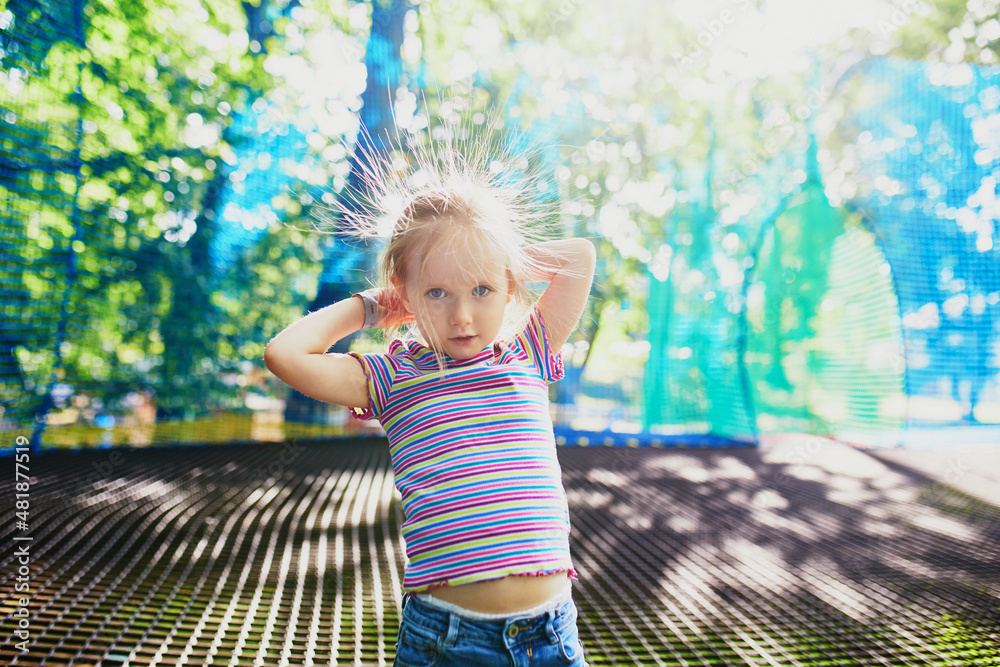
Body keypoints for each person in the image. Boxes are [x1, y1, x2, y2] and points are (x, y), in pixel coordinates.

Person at [264, 162, 596, 666]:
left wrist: (492, 257)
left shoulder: (526, 351)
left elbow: (579, 256)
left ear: (508, 285)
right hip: (446, 639)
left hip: (551, 632)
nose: (461, 316)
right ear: (407, 291)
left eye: (481, 290)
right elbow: (285, 356)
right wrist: (369, 307)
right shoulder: (393, 376)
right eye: (437, 292)